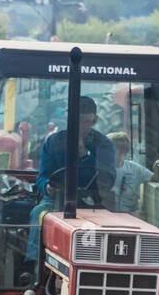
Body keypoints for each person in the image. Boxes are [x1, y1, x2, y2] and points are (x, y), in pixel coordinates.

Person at [23, 94, 115, 278]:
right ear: (68, 117)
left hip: (93, 202)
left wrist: (84, 156)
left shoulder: (104, 144)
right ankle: (34, 267)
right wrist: (47, 187)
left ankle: (109, 270)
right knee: (38, 212)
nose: (79, 126)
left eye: (85, 121)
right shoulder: (53, 142)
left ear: (94, 120)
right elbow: (42, 177)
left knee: (115, 224)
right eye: (75, 120)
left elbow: (107, 180)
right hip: (57, 199)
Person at [108, 132, 156, 214]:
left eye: (110, 148)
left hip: (130, 215)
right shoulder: (102, 168)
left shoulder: (134, 168)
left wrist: (157, 167)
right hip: (107, 214)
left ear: (123, 151)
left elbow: (154, 178)